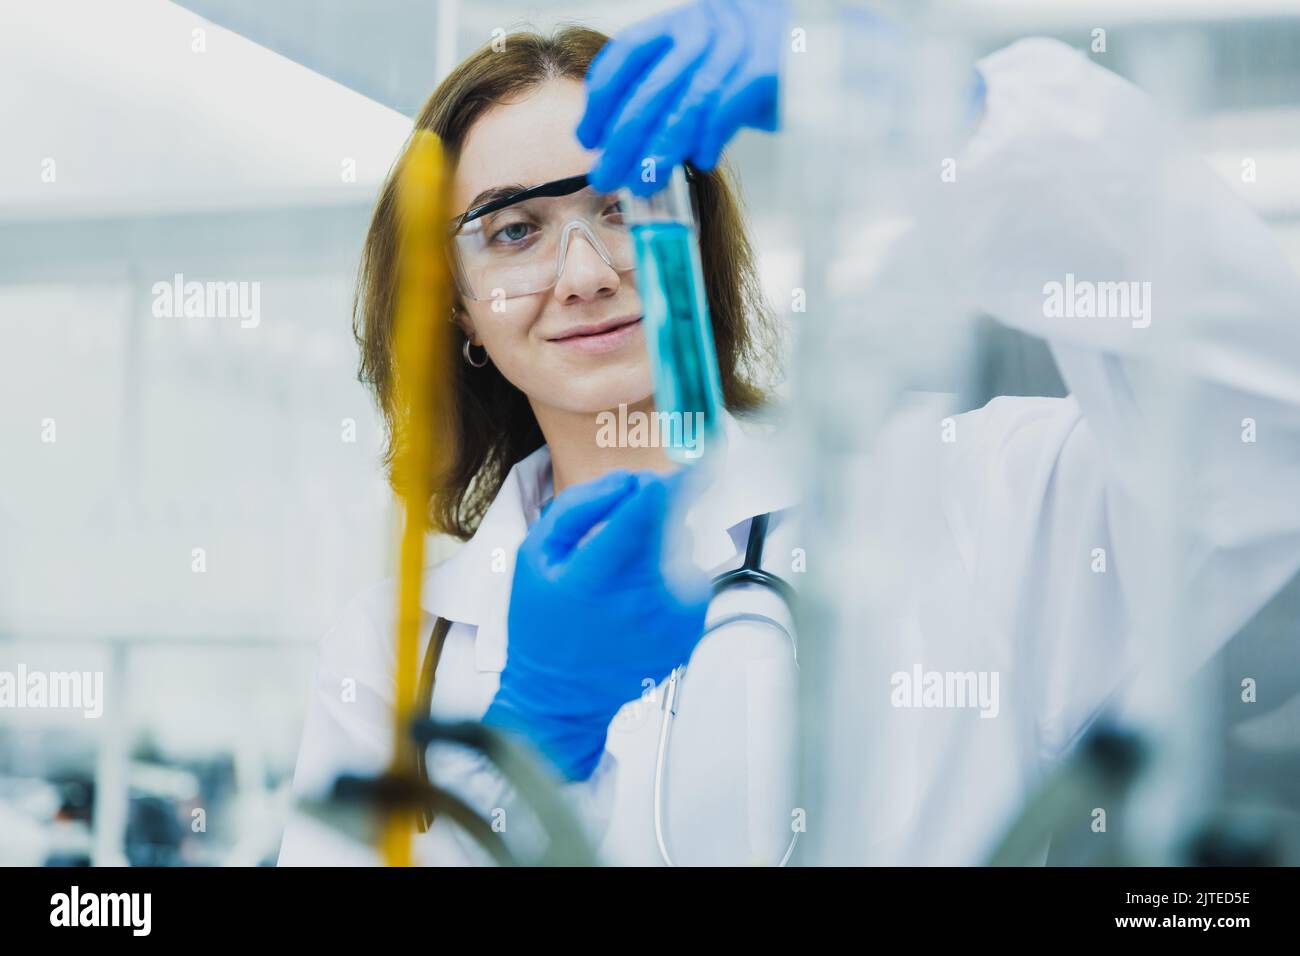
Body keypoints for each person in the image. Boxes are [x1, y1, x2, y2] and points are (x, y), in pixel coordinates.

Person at [280, 6, 1300, 865]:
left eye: (627, 202)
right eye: (514, 230)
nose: (585, 271)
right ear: (455, 305)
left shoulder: (970, 501)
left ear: (698, 236)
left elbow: (1271, 432)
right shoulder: (394, 653)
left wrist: (961, 121)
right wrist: (520, 746)